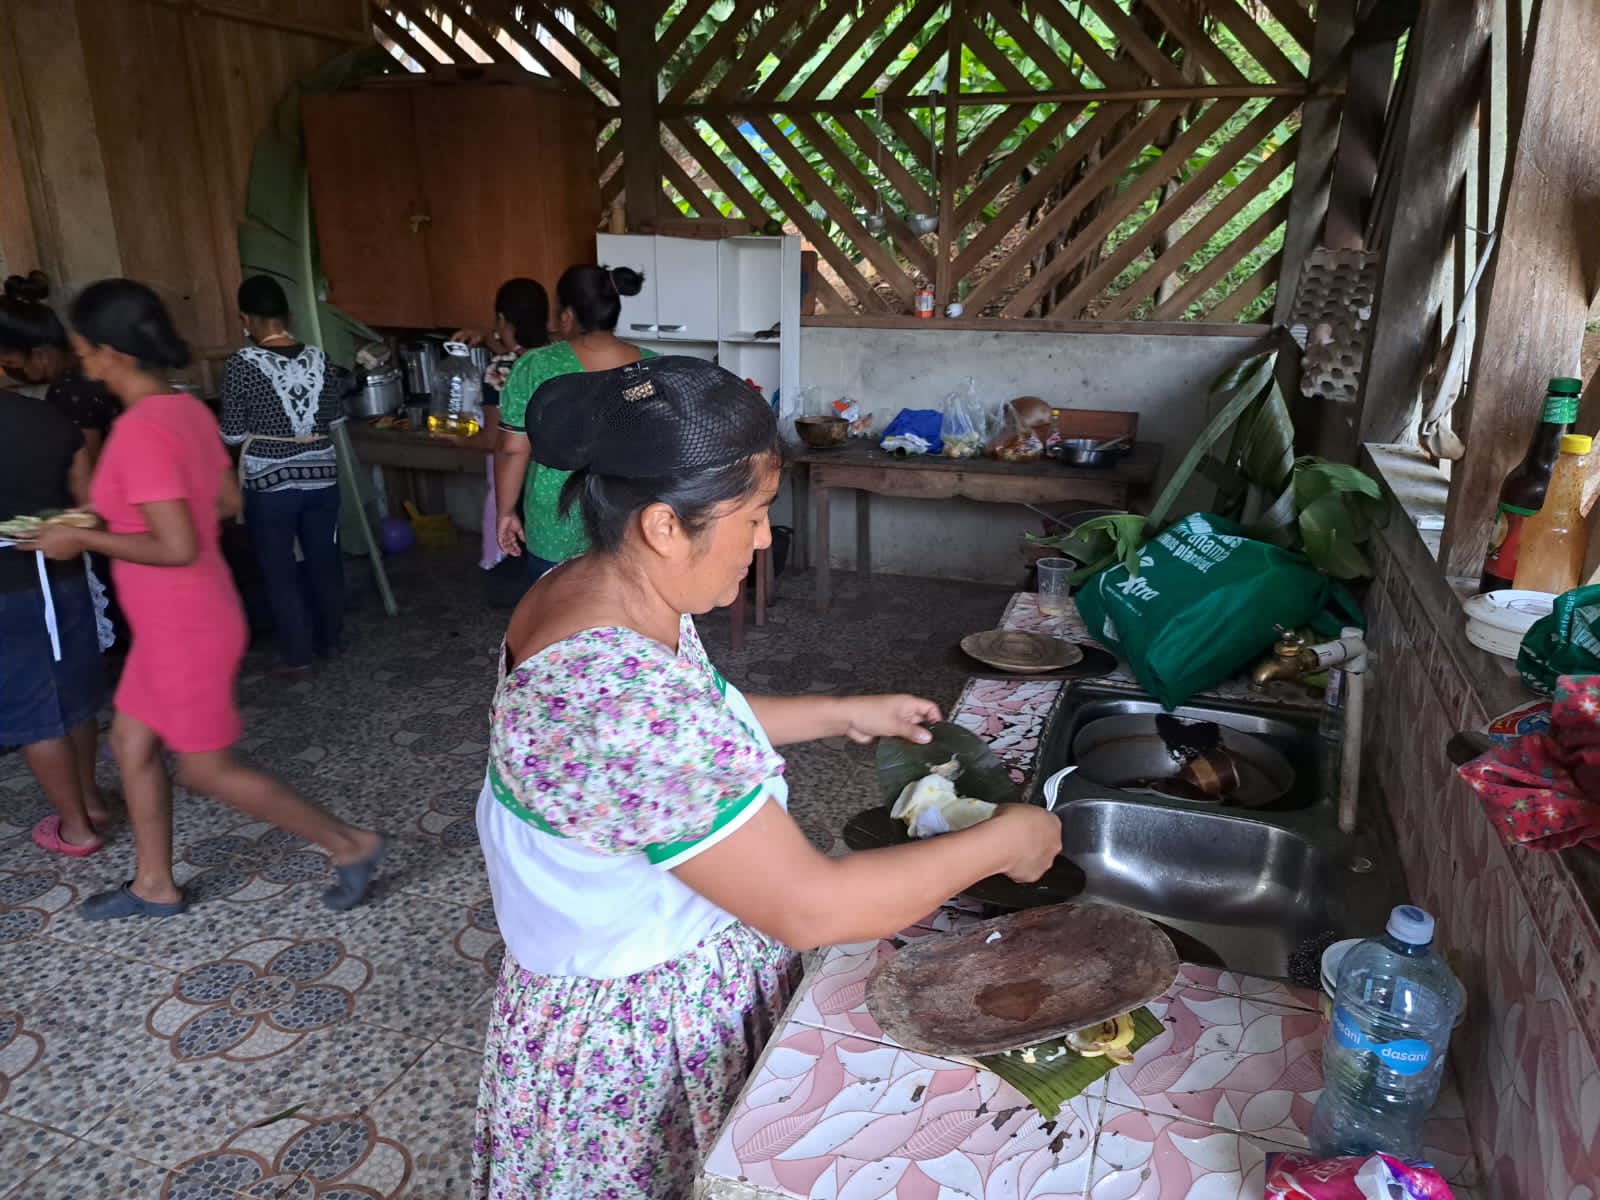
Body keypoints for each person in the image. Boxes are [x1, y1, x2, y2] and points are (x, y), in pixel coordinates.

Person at [472, 356, 1062, 1198]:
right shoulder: (623, 701)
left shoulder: (593, 593)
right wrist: (1008, 838)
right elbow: (809, 907)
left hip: (633, 993)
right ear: (663, 524)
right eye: (751, 517)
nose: (761, 540)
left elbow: (696, 723)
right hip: (634, 1042)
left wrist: (838, 711)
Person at [24, 279, 387, 920]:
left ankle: (352, 843)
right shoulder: (185, 408)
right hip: (180, 619)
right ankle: (153, 885)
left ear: (113, 351)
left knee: (206, 770)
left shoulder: (139, 430)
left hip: (183, 626)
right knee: (131, 747)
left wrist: (82, 540)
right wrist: (103, 523)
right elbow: (224, 503)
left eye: (85, 352)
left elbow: (176, 546)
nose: (84, 364)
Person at [0, 382, 110, 856]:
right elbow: (90, 508)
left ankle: (76, 828)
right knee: (74, 692)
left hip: (6, 588)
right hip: (64, 572)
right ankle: (91, 800)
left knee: (31, 710)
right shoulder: (51, 418)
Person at [219, 275, 347, 674]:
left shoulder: (241, 365)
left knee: (278, 568)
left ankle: (298, 652)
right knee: (324, 560)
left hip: (269, 483)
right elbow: (337, 419)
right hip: (322, 476)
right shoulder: (322, 359)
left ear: (245, 318)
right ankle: (330, 641)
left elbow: (233, 433)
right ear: (289, 315)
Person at [493, 264, 650, 581]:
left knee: (555, 616)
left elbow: (513, 449)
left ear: (567, 316)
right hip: (633, 519)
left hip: (554, 521)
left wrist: (506, 511)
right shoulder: (653, 366)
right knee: (626, 617)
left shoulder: (535, 366)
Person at [445, 277, 551, 571]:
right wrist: (491, 341)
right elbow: (522, 358)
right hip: (555, 479)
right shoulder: (558, 357)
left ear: (502, 319)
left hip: (516, 482)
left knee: (516, 557)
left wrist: (459, 440)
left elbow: (496, 440)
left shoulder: (500, 368)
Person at [0, 272, 121, 462]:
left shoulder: (68, 392)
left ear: (41, 356)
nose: (11, 372)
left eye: (10, 363)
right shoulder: (90, 369)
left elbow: (86, 472)